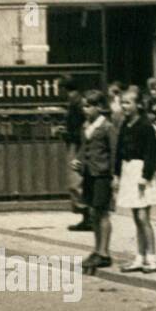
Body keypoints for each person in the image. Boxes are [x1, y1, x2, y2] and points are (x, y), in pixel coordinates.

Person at [114, 89, 156, 273]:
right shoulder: (125, 123)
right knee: (136, 217)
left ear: (138, 105)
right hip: (128, 171)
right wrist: (116, 174)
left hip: (140, 172)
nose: (124, 106)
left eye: (128, 103)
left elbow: (152, 152)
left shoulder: (145, 125)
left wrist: (146, 175)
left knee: (143, 217)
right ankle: (139, 256)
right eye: (122, 103)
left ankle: (151, 257)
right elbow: (119, 150)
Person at [75, 90, 116, 273]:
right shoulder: (86, 126)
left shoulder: (107, 127)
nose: (85, 110)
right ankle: (97, 249)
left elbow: (114, 152)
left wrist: (115, 175)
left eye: (89, 106)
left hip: (102, 174)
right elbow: (84, 148)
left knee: (103, 212)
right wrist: (79, 161)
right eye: (84, 106)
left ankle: (104, 252)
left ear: (99, 107)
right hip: (89, 174)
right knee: (93, 212)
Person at [62, 79, 91, 231]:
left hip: (78, 144)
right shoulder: (76, 102)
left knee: (75, 181)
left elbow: (81, 126)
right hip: (76, 142)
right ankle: (86, 216)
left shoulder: (77, 103)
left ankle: (88, 215)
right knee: (76, 181)